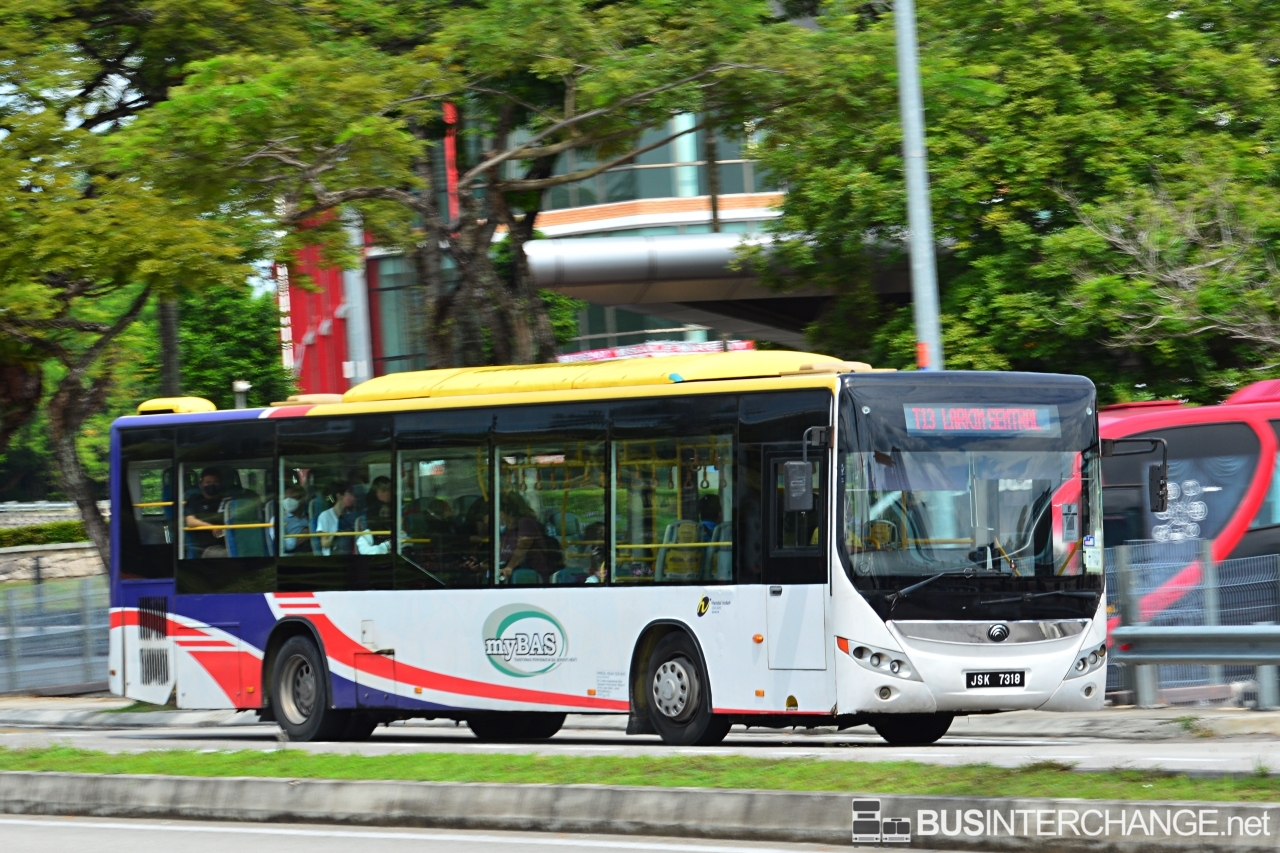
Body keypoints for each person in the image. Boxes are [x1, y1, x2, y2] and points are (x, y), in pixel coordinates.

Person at [316, 482, 390, 556]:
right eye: (350, 494)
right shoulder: (325, 516)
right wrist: (337, 535)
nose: (353, 498)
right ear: (339, 496)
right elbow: (324, 543)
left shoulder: (352, 515)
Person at [498, 491, 545, 583]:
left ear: (506, 512)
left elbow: (522, 548)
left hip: (531, 578)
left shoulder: (525, 523)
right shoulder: (506, 533)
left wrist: (509, 568)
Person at [184, 468, 228, 558]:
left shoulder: (226, 500)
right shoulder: (194, 500)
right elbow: (190, 521)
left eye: (215, 482)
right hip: (208, 548)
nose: (211, 485)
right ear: (201, 484)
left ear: (220, 483)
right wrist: (211, 527)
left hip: (228, 542)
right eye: (208, 482)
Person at [281, 484, 311, 554]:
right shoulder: (281, 519)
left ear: (301, 499)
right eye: (286, 497)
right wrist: (304, 536)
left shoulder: (309, 517)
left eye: (292, 497)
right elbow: (282, 545)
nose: (288, 500)